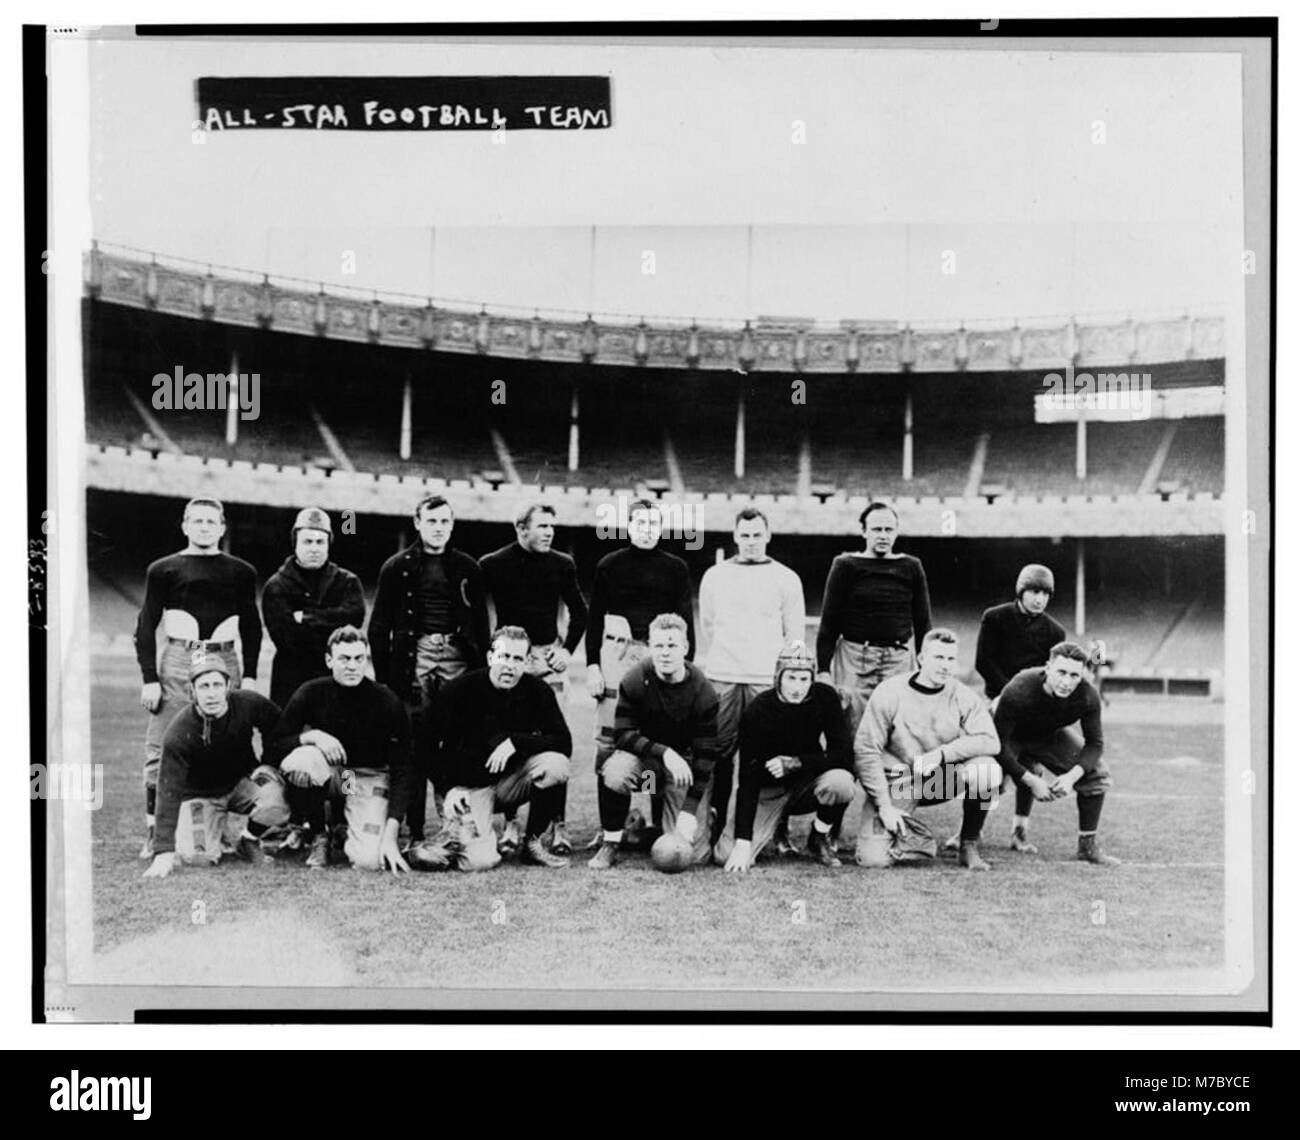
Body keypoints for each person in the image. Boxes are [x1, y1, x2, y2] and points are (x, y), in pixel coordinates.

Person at [134, 497, 262, 859]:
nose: (205, 527)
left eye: (212, 521)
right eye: (198, 520)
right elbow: (145, 625)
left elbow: (252, 626)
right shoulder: (163, 569)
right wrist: (149, 677)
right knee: (160, 746)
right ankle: (152, 831)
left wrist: (250, 675)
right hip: (178, 657)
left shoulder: (241, 571)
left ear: (222, 527)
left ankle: (222, 826)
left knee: (228, 740)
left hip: (224, 656)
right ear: (185, 525)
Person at [368, 494, 489, 844]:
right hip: (414, 655)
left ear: (453, 525)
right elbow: (378, 627)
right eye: (432, 521)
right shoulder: (396, 566)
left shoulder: (469, 567)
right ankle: (414, 829)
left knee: (454, 737)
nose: (438, 528)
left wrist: (479, 670)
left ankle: (454, 823)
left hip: (457, 654)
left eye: (445, 522)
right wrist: (386, 682)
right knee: (414, 741)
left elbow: (480, 624)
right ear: (417, 523)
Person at [584, 498, 695, 847]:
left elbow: (686, 622)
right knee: (610, 742)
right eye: (640, 524)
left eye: (652, 524)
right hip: (616, 655)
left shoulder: (675, 567)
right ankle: (611, 828)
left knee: (659, 737)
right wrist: (592, 666)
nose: (646, 531)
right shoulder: (609, 565)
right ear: (629, 526)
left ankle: (657, 825)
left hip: (659, 654)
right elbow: (594, 619)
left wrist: (685, 667)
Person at [479, 503, 588, 854]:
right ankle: (510, 823)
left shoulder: (562, 564)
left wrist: (567, 650)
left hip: (546, 657)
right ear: (521, 529)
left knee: (554, 741)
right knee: (508, 737)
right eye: (541, 526)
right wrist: (491, 652)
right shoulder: (492, 564)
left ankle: (557, 825)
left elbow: (581, 612)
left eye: (552, 526)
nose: (549, 532)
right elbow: (476, 614)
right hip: (510, 658)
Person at [853, 629, 1002, 872]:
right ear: (921, 658)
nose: (945, 666)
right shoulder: (890, 692)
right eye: (938, 658)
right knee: (874, 859)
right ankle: (912, 835)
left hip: (937, 780)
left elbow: (990, 741)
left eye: (950, 659)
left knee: (986, 769)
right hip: (898, 783)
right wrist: (884, 806)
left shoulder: (962, 695)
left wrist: (942, 754)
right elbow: (866, 750)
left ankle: (968, 844)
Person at [698, 507, 806, 844]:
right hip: (723, 675)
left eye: (757, 535)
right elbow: (709, 624)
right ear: (735, 537)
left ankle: (778, 828)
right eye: (744, 536)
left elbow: (795, 634)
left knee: (770, 755)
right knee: (719, 755)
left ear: (768, 535)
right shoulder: (715, 576)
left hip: (765, 679)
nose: (751, 542)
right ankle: (715, 820)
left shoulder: (786, 578)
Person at [269, 626, 413, 873]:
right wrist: (312, 736)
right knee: (304, 761)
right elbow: (275, 746)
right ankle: (318, 833)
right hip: (333, 774)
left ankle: (343, 826)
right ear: (329, 660)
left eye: (360, 659)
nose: (352, 666)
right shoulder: (311, 692)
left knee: (369, 861)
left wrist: (391, 834)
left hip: (363, 778)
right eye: (344, 659)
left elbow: (403, 768)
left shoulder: (386, 700)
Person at [432, 626, 573, 869]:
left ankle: (533, 844)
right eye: (503, 656)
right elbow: (426, 746)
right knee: (481, 860)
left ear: (527, 661)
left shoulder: (538, 690)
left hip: (509, 783)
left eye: (517, 658)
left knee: (556, 765)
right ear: (490, 658)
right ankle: (442, 840)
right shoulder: (459, 691)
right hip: (468, 786)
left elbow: (564, 742)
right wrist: (447, 788)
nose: (509, 665)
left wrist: (516, 741)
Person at [587, 613, 719, 871]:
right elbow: (622, 735)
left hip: (684, 772)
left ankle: (645, 830)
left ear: (685, 648)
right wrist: (665, 752)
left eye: (672, 645)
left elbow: (706, 758)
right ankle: (612, 840)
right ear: (649, 647)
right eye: (659, 645)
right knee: (616, 772)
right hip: (650, 770)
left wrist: (689, 809)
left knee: (694, 854)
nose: (665, 653)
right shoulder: (636, 679)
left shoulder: (703, 691)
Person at [142, 654, 288, 878]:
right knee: (197, 858)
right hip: (201, 795)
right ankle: (211, 830)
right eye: (204, 686)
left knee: (278, 800)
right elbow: (167, 791)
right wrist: (164, 851)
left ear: (228, 686)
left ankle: (247, 839)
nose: (211, 693)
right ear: (192, 690)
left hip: (240, 785)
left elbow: (280, 728)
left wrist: (269, 764)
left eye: (217, 685)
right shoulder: (179, 732)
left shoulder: (248, 703)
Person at [713, 642, 855, 872]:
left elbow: (844, 754)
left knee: (842, 782)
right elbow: (747, 781)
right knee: (725, 855)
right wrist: (742, 842)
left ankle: (819, 834)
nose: (797, 687)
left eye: (804, 679)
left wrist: (797, 763)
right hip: (768, 790)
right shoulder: (759, 709)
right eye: (791, 678)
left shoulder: (825, 697)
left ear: (812, 679)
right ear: (778, 677)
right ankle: (775, 825)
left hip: (807, 784)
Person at [992, 642, 1121, 865]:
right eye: (1061, 672)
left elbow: (1095, 743)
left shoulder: (1088, 695)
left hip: (1046, 734)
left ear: (1084, 674)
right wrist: (1031, 780)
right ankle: (968, 837)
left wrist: (1072, 777)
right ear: (1048, 667)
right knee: (987, 772)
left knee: (1097, 774)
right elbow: (998, 744)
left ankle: (1087, 846)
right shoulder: (1019, 688)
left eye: (1074, 675)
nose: (1066, 681)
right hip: (1008, 735)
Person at [969, 562, 1067, 853]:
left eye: (1046, 594)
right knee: (988, 764)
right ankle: (974, 830)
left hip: (1033, 710)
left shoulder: (1055, 631)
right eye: (1034, 591)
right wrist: (1007, 694)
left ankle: (1019, 830)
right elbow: (983, 661)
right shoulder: (995, 617)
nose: (1040, 599)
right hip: (996, 703)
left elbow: (1049, 673)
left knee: (1030, 765)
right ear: (1021, 591)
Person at [816, 501, 932, 733]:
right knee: (853, 727)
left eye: (889, 530)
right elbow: (829, 622)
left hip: (898, 659)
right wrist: (823, 671)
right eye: (876, 529)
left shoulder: (911, 566)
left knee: (898, 728)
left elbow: (923, 621)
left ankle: (890, 771)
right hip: (855, 659)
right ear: (863, 531)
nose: (883, 535)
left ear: (897, 532)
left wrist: (925, 665)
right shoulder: (845, 565)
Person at [261, 507, 366, 708]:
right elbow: (287, 640)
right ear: (295, 544)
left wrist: (307, 617)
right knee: (290, 737)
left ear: (328, 544)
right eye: (307, 542)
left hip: (336, 678)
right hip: (291, 680)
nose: (314, 548)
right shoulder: (276, 586)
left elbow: (354, 620)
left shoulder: (347, 581)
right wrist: (332, 621)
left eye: (320, 542)